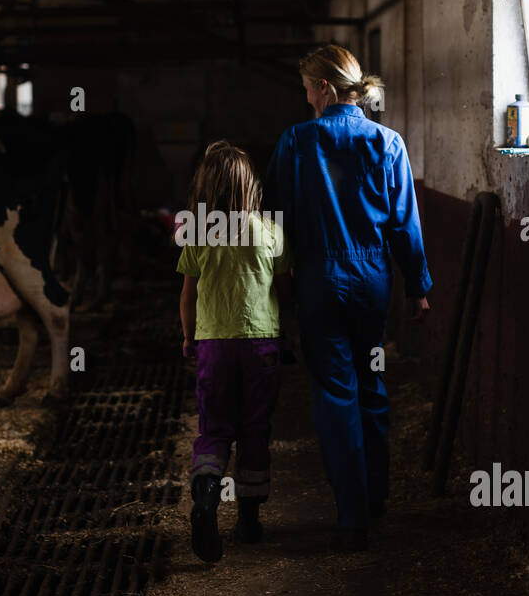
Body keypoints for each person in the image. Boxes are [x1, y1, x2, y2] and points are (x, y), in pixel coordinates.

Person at [264, 44, 432, 551]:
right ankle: (376, 496)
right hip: (373, 281)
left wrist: (276, 277)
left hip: (320, 280)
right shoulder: (388, 143)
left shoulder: (297, 141)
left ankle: (353, 516)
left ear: (322, 88)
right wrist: (419, 287)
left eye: (307, 90)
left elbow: (274, 216)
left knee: (336, 393)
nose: (306, 100)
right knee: (373, 383)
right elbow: (405, 221)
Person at [177, 141, 292, 563]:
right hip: (261, 344)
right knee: (254, 429)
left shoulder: (196, 231)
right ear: (251, 187)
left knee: (215, 429)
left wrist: (190, 337)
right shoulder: (272, 230)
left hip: (213, 346)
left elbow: (188, 296)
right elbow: (282, 289)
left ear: (205, 187)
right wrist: (287, 335)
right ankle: (248, 520)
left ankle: (206, 501)